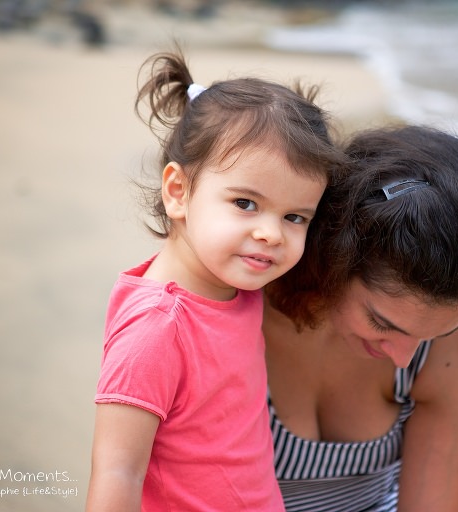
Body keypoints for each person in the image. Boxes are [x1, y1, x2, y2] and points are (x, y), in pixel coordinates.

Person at [86, 50, 345, 512]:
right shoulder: (157, 328)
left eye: (294, 216)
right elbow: (117, 472)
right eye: (245, 203)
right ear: (178, 192)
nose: (270, 233)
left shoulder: (236, 287)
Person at [264, 124, 458, 512]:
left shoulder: (456, 342)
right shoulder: (232, 315)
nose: (404, 358)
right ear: (334, 258)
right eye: (383, 323)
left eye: (430, 334)